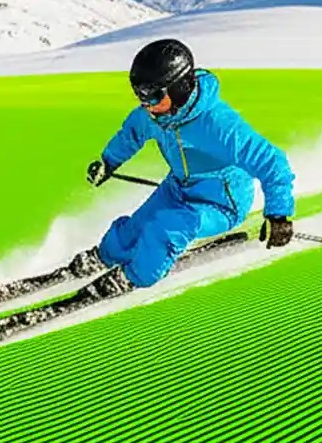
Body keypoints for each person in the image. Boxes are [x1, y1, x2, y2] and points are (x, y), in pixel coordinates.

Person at [76, 38, 297, 298]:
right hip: (178, 189)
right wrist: (109, 162)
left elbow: (272, 161)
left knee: (165, 228)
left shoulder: (217, 124)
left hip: (220, 204)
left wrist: (279, 216)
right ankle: (104, 257)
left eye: (152, 95)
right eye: (140, 94)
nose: (145, 103)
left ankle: (131, 278)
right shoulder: (155, 115)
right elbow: (132, 133)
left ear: (179, 88)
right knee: (134, 230)